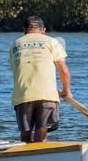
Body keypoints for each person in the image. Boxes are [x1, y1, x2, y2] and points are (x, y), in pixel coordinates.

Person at [8, 15, 71, 143]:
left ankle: (25, 159)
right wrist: (66, 91)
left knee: (25, 138)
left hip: (23, 96)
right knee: (41, 136)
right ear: (43, 30)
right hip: (47, 95)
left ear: (25, 30)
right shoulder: (52, 42)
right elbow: (63, 70)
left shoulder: (15, 45)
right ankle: (40, 156)